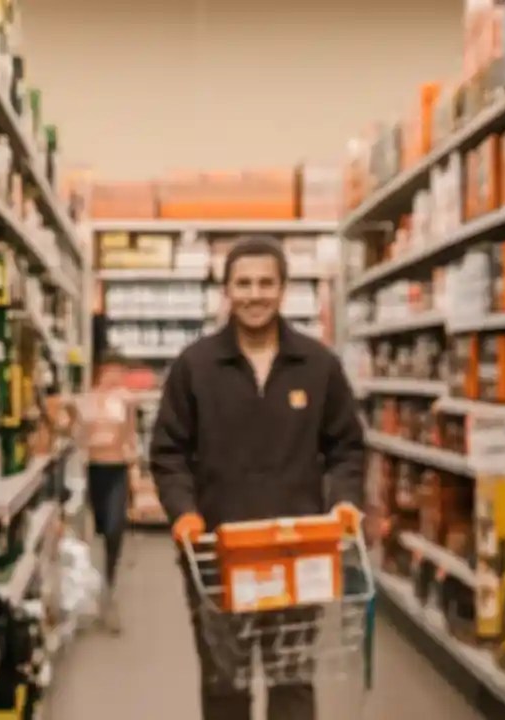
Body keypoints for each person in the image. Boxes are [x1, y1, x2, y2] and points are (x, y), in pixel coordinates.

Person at [149, 236, 365, 720]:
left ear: (284, 289)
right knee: (225, 684)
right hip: (219, 554)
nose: (254, 294)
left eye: (266, 282)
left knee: (292, 681)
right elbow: (168, 453)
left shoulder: (318, 365)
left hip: (299, 550)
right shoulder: (196, 366)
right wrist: (184, 513)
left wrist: (345, 501)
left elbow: (347, 447)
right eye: (243, 283)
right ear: (226, 290)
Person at [76, 353, 139, 632]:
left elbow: (130, 436)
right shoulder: (86, 400)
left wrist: (135, 480)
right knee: (91, 532)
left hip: (117, 470)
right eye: (111, 371)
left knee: (114, 529)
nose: (115, 377)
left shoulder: (124, 400)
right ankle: (87, 593)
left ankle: (109, 589)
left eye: (120, 372)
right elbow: (77, 431)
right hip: (91, 470)